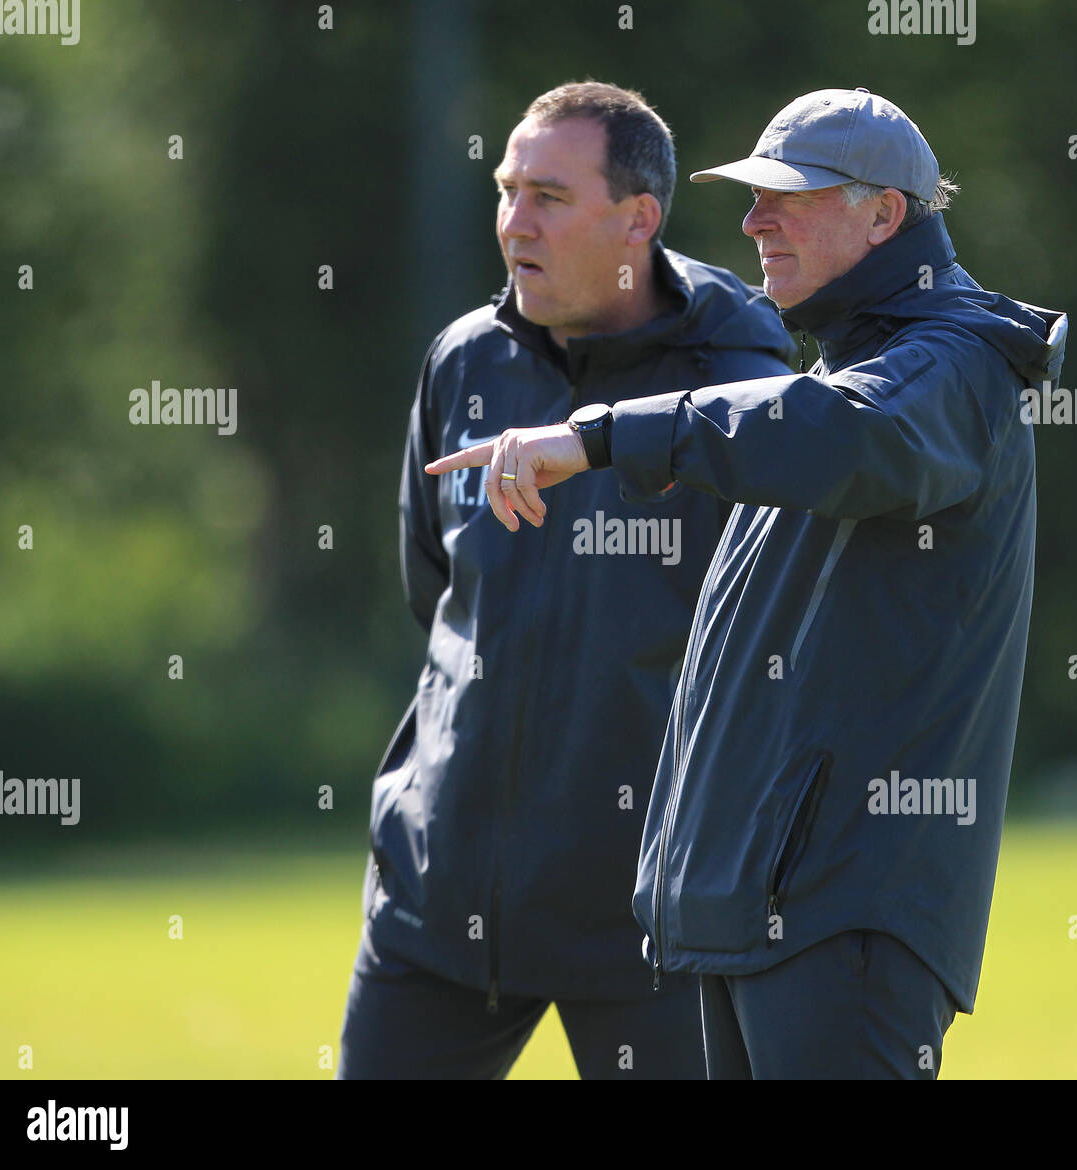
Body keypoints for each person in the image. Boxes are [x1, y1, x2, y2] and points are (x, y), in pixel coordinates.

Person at [426, 88, 1069, 1079]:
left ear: (883, 216)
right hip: (757, 916)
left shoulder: (951, 366)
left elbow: (845, 433)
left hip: (840, 919)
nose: (752, 220)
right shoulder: (852, 369)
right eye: (752, 195)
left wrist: (599, 433)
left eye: (787, 196)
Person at [337, 81, 795, 1079]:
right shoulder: (464, 361)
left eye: (546, 195)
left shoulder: (746, 373)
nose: (512, 224)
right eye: (505, 191)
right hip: (438, 905)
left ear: (638, 220)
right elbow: (437, 596)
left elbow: (781, 644)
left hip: (653, 929)